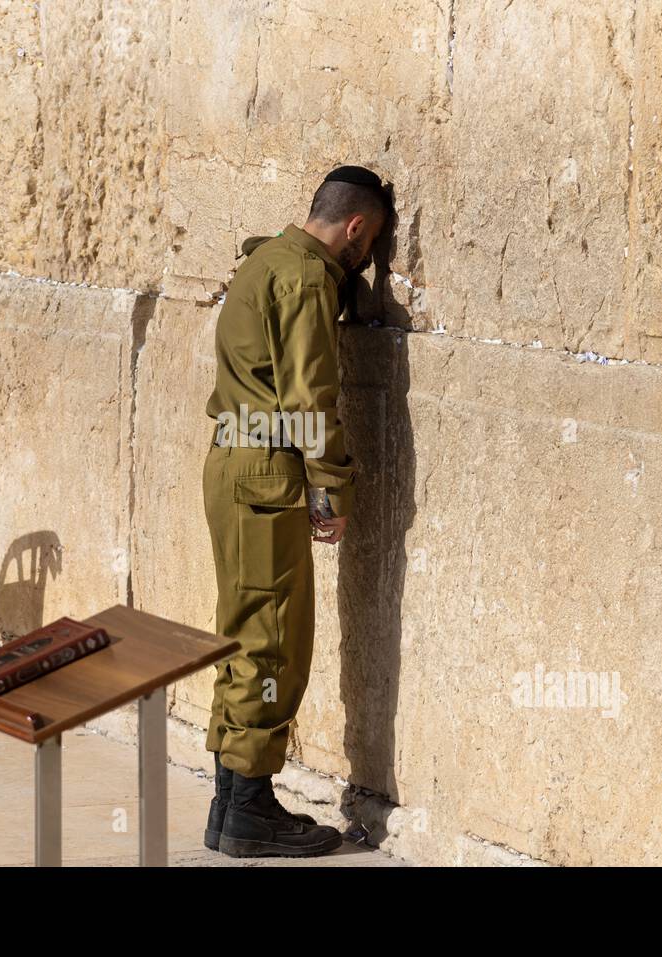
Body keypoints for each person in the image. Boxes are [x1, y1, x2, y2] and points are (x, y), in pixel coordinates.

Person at [200, 164, 391, 857]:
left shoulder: (263, 261)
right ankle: (248, 807)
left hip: (232, 462)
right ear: (356, 228)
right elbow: (312, 397)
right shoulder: (306, 279)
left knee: (245, 630)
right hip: (269, 471)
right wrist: (330, 489)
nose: (361, 264)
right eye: (364, 251)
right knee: (272, 640)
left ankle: (230, 802)